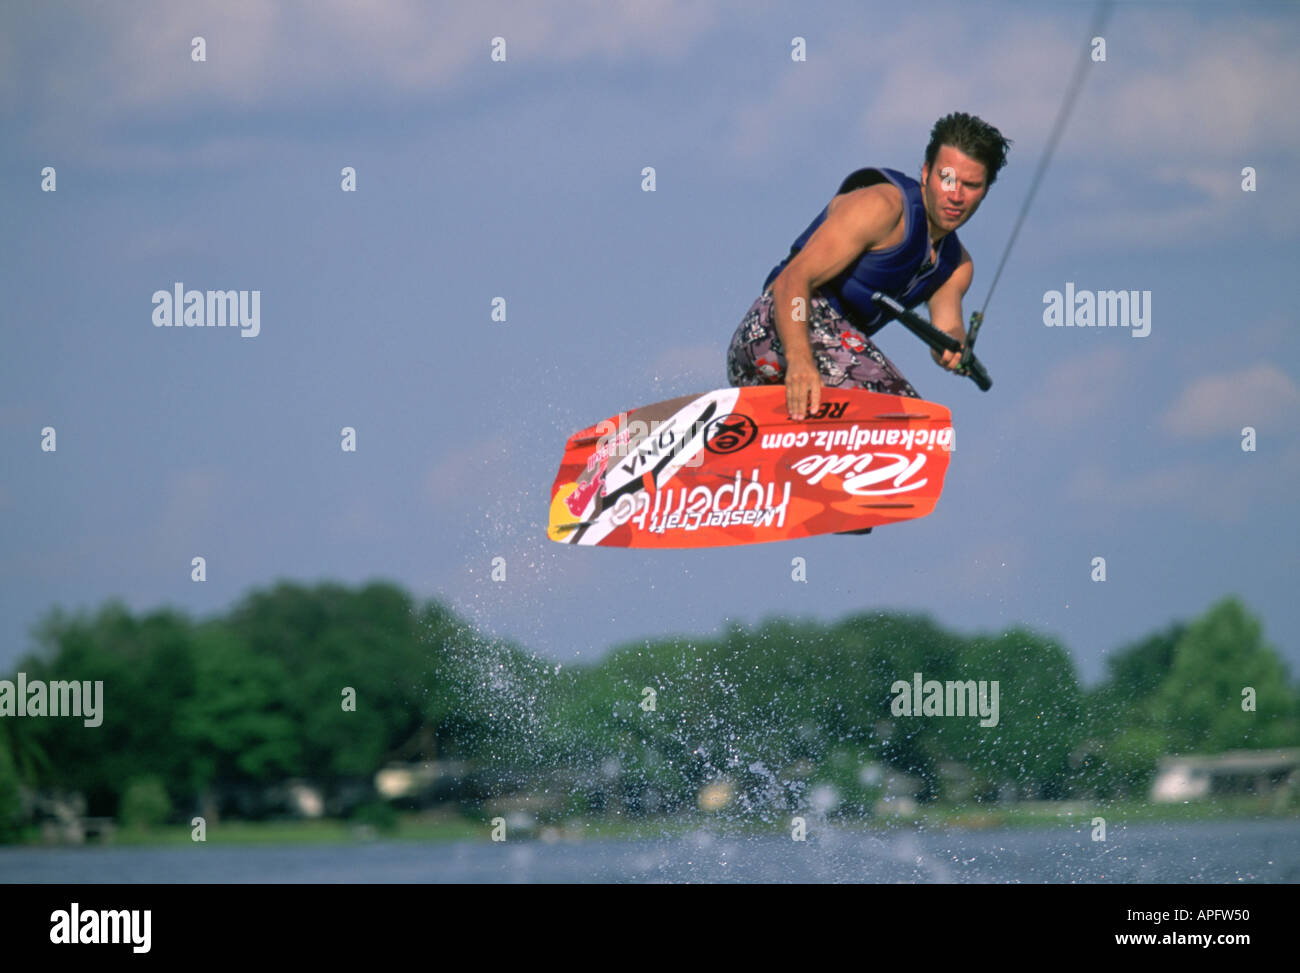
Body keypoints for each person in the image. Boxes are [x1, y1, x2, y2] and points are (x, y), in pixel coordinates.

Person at [726, 112, 1011, 421]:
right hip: (775, 334)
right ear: (927, 173)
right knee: (903, 421)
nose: (956, 196)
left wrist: (955, 347)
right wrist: (799, 360)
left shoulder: (956, 266)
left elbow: (946, 328)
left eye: (970, 185)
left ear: (985, 190)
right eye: (948, 180)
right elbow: (792, 279)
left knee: (894, 428)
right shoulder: (882, 207)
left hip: (826, 368)